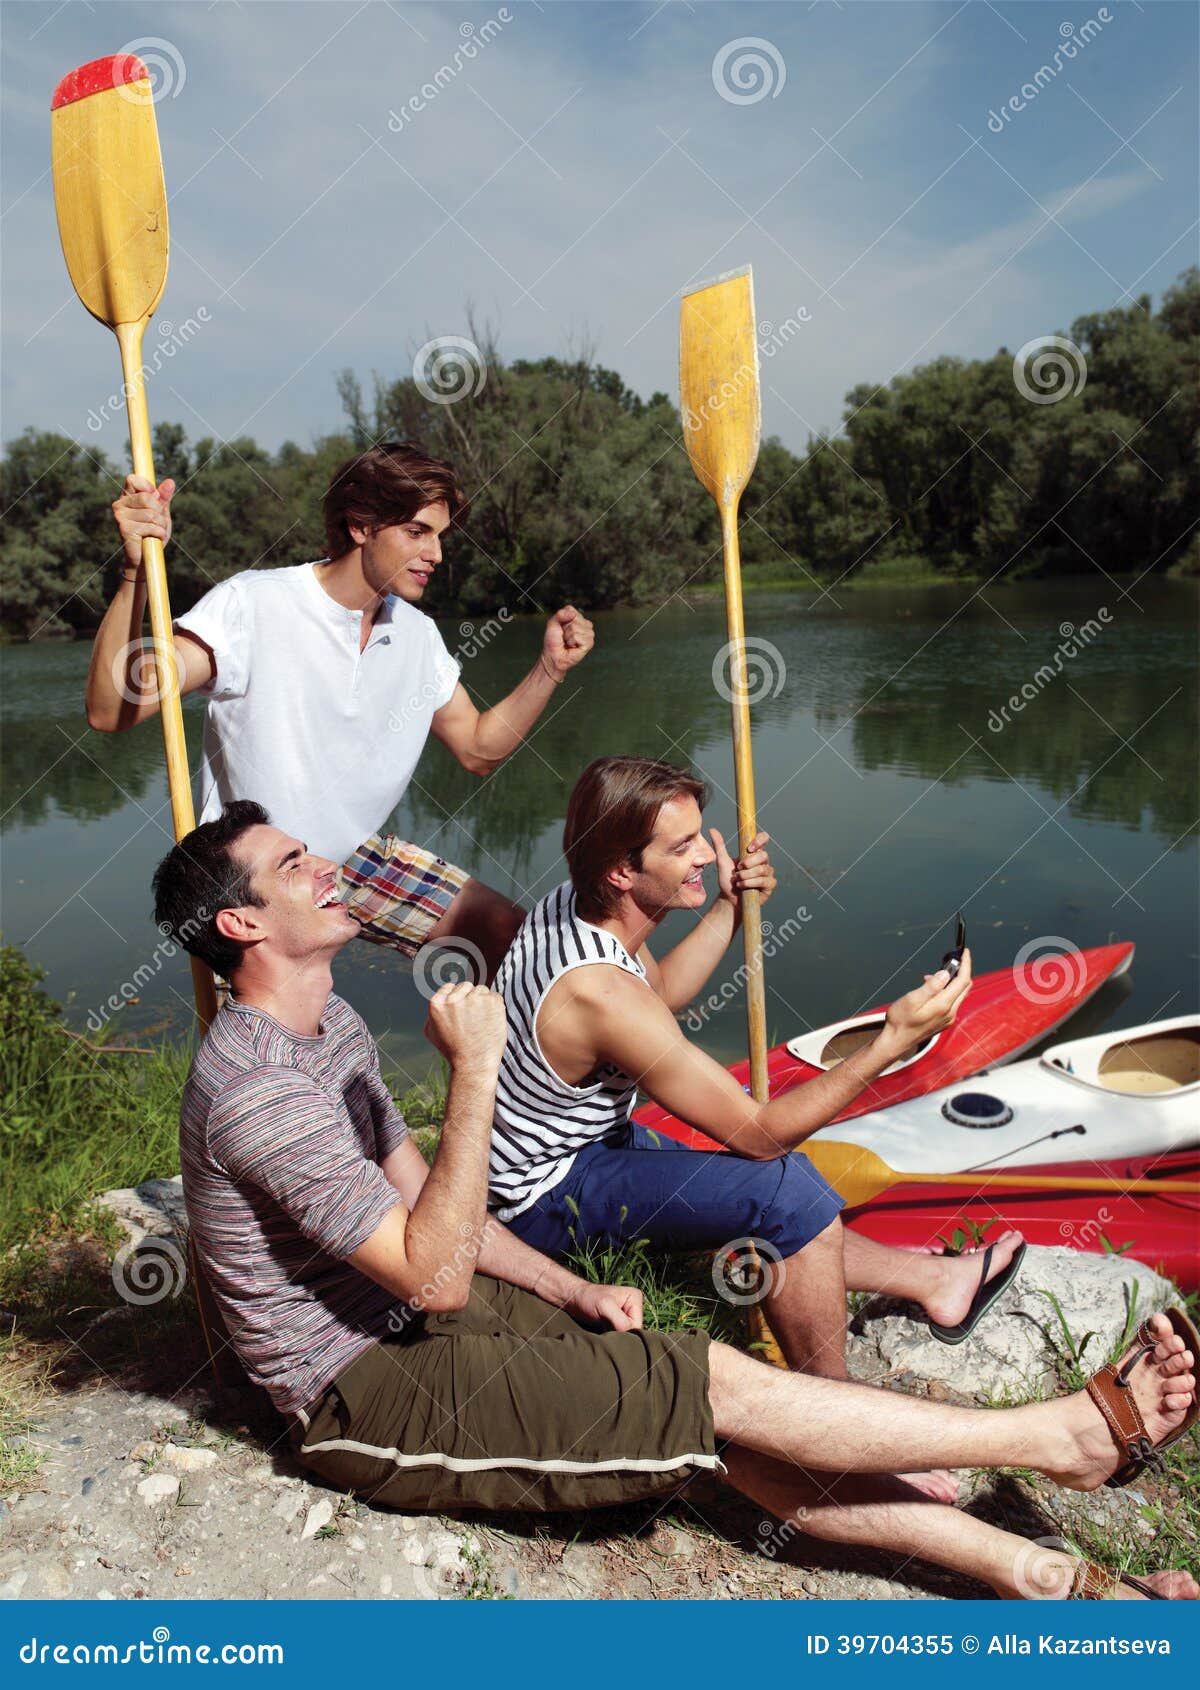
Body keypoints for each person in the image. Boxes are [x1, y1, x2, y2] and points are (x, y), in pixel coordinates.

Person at [150, 799, 1198, 1601]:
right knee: (714, 1390)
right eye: (294, 865)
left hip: (414, 1307)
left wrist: (566, 1286)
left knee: (724, 1416)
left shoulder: (324, 1026)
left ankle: (1051, 1580)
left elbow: (421, 1196)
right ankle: (1060, 1437)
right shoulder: (256, 1094)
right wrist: (476, 1071)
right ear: (243, 919)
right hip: (358, 1390)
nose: (330, 868)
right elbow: (432, 1264)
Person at [488, 757, 1025, 1393]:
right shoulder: (599, 994)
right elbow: (762, 1135)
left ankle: (939, 1283)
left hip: (572, 1148)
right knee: (786, 1189)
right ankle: (839, 1429)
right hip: (540, 1199)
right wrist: (893, 1040)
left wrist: (727, 906)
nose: (701, 857)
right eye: (681, 846)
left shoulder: (575, 909)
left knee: (757, 1195)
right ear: (622, 870)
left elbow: (659, 996)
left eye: (699, 836)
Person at [88, 440, 594, 979]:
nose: (437, 555)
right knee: (288, 1035)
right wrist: (136, 572)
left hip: (354, 858)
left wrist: (549, 670)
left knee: (522, 948)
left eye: (440, 537)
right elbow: (113, 708)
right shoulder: (255, 604)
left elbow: (477, 750)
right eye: (417, 532)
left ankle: (513, 1060)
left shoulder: (417, 637)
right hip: (252, 877)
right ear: (360, 526)